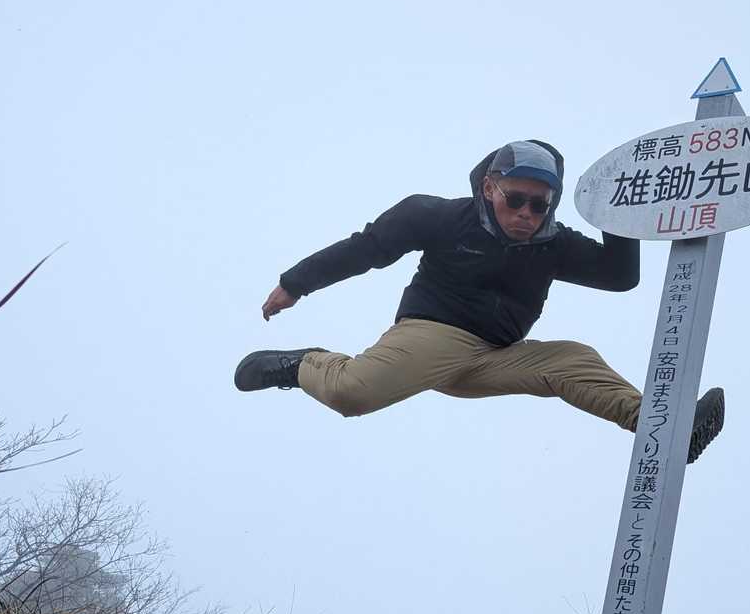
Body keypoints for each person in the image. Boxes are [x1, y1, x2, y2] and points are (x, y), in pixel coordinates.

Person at [234, 140, 725, 462]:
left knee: (573, 359)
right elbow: (366, 249)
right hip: (433, 338)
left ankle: (665, 431)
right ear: (490, 188)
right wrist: (295, 283)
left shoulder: (553, 244)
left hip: (496, 357)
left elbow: (619, 277)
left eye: (540, 204)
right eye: (515, 199)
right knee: (352, 394)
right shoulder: (439, 216)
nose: (527, 214)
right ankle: (299, 365)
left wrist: (615, 214)